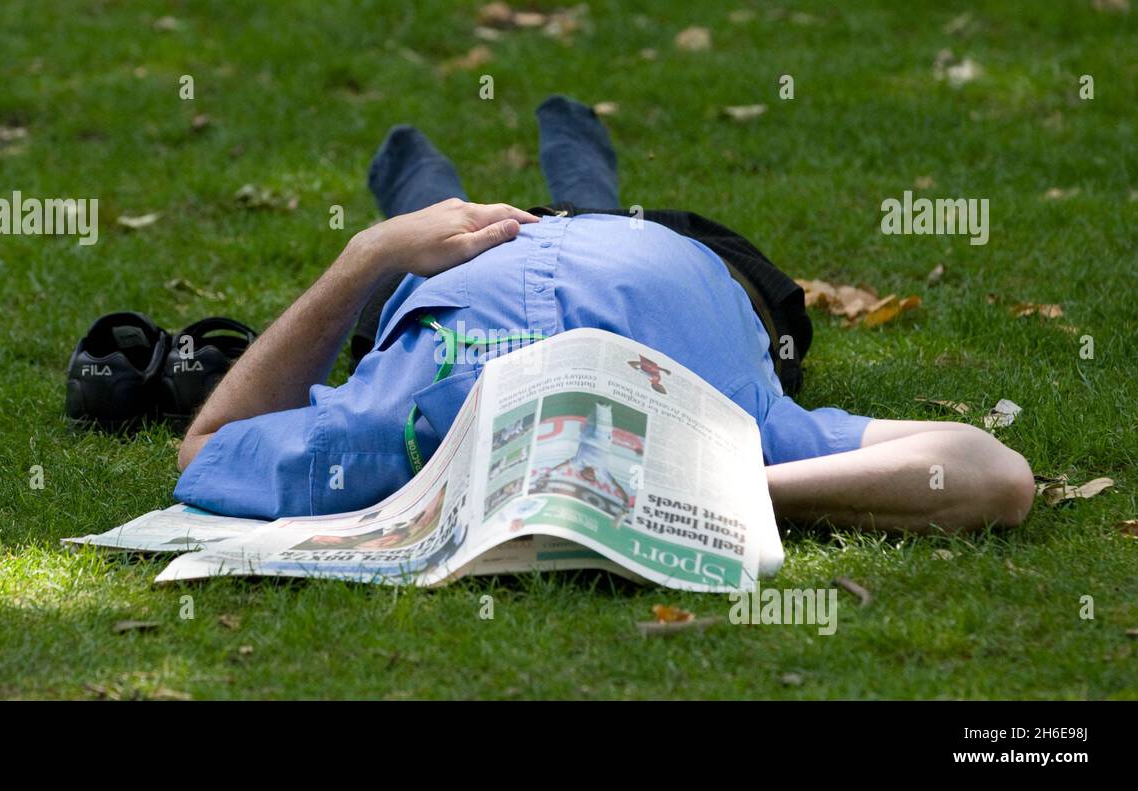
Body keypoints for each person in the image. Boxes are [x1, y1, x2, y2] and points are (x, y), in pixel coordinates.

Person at [175, 95, 1034, 532]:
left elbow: (210, 445)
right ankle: (447, 184)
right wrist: (371, 253)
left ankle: (440, 188)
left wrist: (370, 256)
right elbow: (993, 475)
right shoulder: (724, 425)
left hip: (596, 257)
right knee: (482, 223)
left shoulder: (386, 429)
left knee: (468, 225)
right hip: (606, 255)